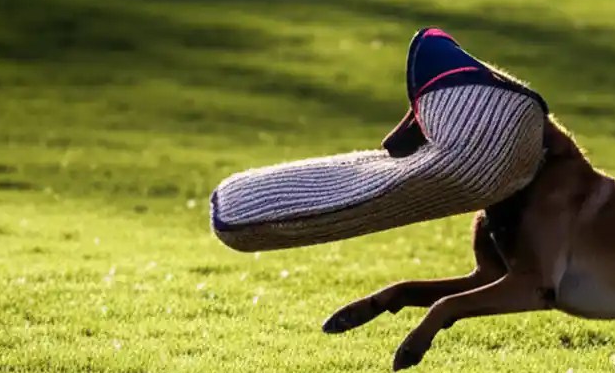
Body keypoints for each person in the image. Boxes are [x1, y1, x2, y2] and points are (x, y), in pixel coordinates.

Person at [211, 28, 549, 252]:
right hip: (501, 147)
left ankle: (442, 113)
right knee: (429, 162)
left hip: (484, 127)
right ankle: (439, 114)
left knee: (437, 161)